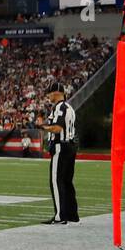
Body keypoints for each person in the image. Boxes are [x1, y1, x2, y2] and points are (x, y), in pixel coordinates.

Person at [41, 82, 78, 225]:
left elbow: (57, 128)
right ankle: (72, 215)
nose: (48, 96)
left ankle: (60, 216)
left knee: (56, 181)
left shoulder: (60, 107)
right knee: (67, 182)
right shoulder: (69, 107)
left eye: (49, 93)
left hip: (60, 147)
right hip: (70, 146)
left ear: (56, 92)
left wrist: (42, 127)